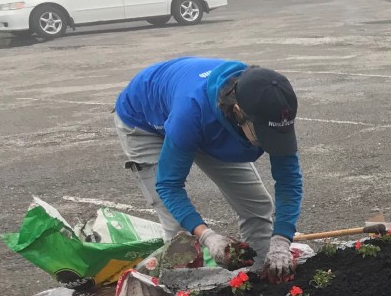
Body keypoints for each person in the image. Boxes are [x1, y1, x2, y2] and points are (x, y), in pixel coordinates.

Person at [114, 58, 303, 281]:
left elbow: (288, 180)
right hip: (144, 121)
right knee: (180, 231)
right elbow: (169, 186)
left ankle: (263, 274)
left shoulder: (268, 104)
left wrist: (281, 239)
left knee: (256, 204)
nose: (267, 143)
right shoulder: (192, 112)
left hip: (206, 124)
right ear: (238, 112)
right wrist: (207, 236)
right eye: (262, 135)